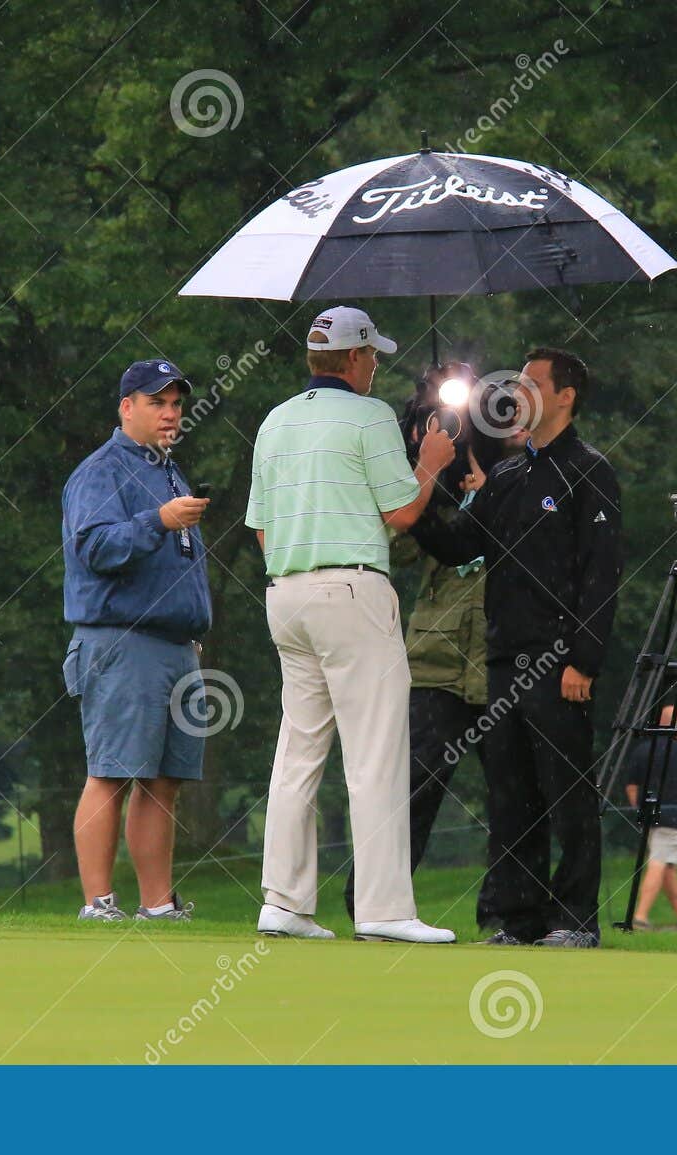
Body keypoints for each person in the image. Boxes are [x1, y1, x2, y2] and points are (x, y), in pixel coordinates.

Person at [246, 305, 457, 944]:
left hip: (286, 594)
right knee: (376, 756)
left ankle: (284, 902)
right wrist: (432, 462)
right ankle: (384, 910)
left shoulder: (274, 420)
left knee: (298, 752)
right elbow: (402, 513)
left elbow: (261, 529)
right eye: (372, 357)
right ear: (357, 357)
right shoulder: (370, 417)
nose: (375, 369)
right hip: (352, 592)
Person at [411, 347, 622, 947]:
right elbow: (459, 546)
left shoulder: (589, 471)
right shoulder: (506, 477)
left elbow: (601, 573)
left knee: (567, 792)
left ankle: (575, 918)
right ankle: (519, 919)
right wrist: (422, 486)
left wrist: (584, 659)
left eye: (532, 384)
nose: (518, 392)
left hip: (560, 662)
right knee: (510, 796)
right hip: (502, 661)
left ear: (565, 396)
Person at [341, 362, 528, 927]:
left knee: (513, 792)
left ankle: (507, 917)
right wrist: (422, 470)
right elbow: (394, 547)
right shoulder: (435, 470)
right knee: (411, 785)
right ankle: (371, 902)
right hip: (436, 655)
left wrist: (490, 491)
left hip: (503, 652)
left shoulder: (522, 468)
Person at [60, 358, 212, 923]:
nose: (170, 413)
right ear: (127, 407)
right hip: (121, 641)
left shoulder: (170, 471)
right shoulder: (101, 471)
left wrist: (190, 628)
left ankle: (157, 907)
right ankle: (98, 905)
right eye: (157, 403)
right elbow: (95, 548)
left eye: (176, 404)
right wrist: (159, 521)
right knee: (112, 773)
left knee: (164, 781)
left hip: (175, 646)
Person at [624, 706, 677, 929]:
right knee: (658, 864)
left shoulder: (643, 750)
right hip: (673, 817)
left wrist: (638, 810)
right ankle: (640, 917)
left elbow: (631, 786)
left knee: (667, 866)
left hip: (647, 815)